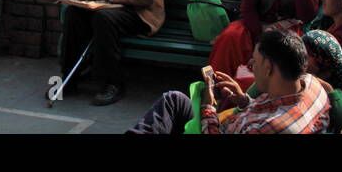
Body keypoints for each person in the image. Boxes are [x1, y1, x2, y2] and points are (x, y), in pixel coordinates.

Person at [127, 29, 330, 135]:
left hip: (220, 127)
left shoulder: (263, 128)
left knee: (171, 103)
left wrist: (208, 107)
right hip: (240, 120)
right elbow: (273, 107)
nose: (251, 64)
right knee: (176, 101)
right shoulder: (312, 85)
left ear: (268, 68)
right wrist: (245, 101)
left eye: (255, 61)